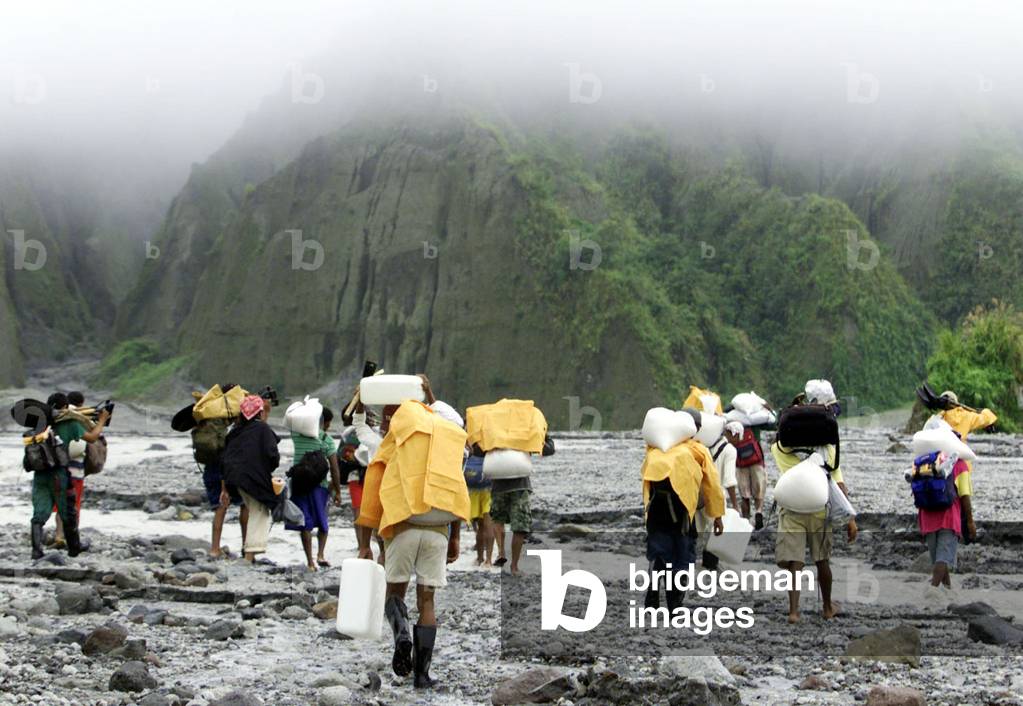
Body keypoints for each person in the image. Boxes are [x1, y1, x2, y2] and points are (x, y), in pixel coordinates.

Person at [356, 399, 469, 689]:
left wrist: (366, 542)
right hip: (438, 530)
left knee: (395, 591)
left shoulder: (394, 444)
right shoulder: (446, 444)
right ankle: (422, 675)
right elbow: (455, 490)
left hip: (404, 528)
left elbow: (373, 492)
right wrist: (455, 536)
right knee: (427, 599)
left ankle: (401, 634)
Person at [771, 382, 857, 623]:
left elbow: (776, 451)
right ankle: (828, 607)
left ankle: (794, 611)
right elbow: (837, 482)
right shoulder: (828, 446)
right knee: (822, 560)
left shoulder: (783, 446)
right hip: (820, 504)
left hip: (791, 505)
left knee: (795, 562)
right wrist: (850, 518)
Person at [641, 436, 725, 610]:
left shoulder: (655, 449)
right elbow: (712, 485)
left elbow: (646, 477)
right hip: (682, 512)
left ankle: (652, 599)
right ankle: (674, 605)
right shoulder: (697, 450)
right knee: (681, 557)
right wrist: (717, 515)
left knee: (659, 554)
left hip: (656, 508)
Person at [35, 392, 109, 558]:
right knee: (70, 507)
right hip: (71, 471)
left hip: (44, 471)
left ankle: (40, 547)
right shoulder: (73, 421)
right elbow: (93, 437)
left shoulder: (43, 421)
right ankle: (72, 544)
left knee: (44, 509)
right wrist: (102, 420)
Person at [222, 394, 281, 563]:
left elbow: (225, 457)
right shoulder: (262, 429)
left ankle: (248, 551)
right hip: (253, 477)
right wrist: (268, 469)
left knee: (252, 508)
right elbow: (272, 455)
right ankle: (249, 554)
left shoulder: (235, 431)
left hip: (234, 479)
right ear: (259, 412)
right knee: (260, 511)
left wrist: (225, 487)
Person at [488, 433, 555, 576]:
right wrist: (544, 434)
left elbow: (479, 450)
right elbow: (549, 449)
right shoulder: (526, 426)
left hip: (498, 484)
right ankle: (514, 567)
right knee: (520, 526)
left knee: (498, 519)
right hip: (520, 485)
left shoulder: (494, 424)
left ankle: (501, 552)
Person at [286, 407, 343, 571]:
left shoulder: (297, 435)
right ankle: (321, 554)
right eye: (328, 423)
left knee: (304, 523)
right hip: (320, 487)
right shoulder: (327, 440)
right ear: (323, 422)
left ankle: (310, 562)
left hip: (299, 484)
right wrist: (337, 490)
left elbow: (289, 418)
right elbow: (334, 468)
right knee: (323, 521)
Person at [916, 451, 975, 600]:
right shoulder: (960, 465)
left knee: (939, 559)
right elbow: (965, 495)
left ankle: (949, 591)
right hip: (948, 518)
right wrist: (969, 521)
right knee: (943, 558)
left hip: (927, 517)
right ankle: (932, 590)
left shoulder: (923, 463)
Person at [698, 421, 740, 570]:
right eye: (738, 438)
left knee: (697, 531)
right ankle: (710, 567)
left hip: (698, 495)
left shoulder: (704, 445)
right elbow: (729, 481)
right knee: (715, 532)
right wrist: (735, 505)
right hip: (716, 495)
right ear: (734, 434)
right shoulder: (730, 450)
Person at [732, 422, 768, 530]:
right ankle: (758, 511)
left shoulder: (732, 423)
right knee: (759, 492)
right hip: (756, 461)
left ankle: (746, 521)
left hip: (740, 462)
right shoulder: (754, 421)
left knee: (745, 495)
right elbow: (771, 424)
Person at [463, 451, 494, 566]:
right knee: (488, 522)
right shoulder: (491, 438)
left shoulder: (473, 435)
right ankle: (489, 560)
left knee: (480, 525)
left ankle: (480, 558)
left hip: (473, 487)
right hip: (489, 486)